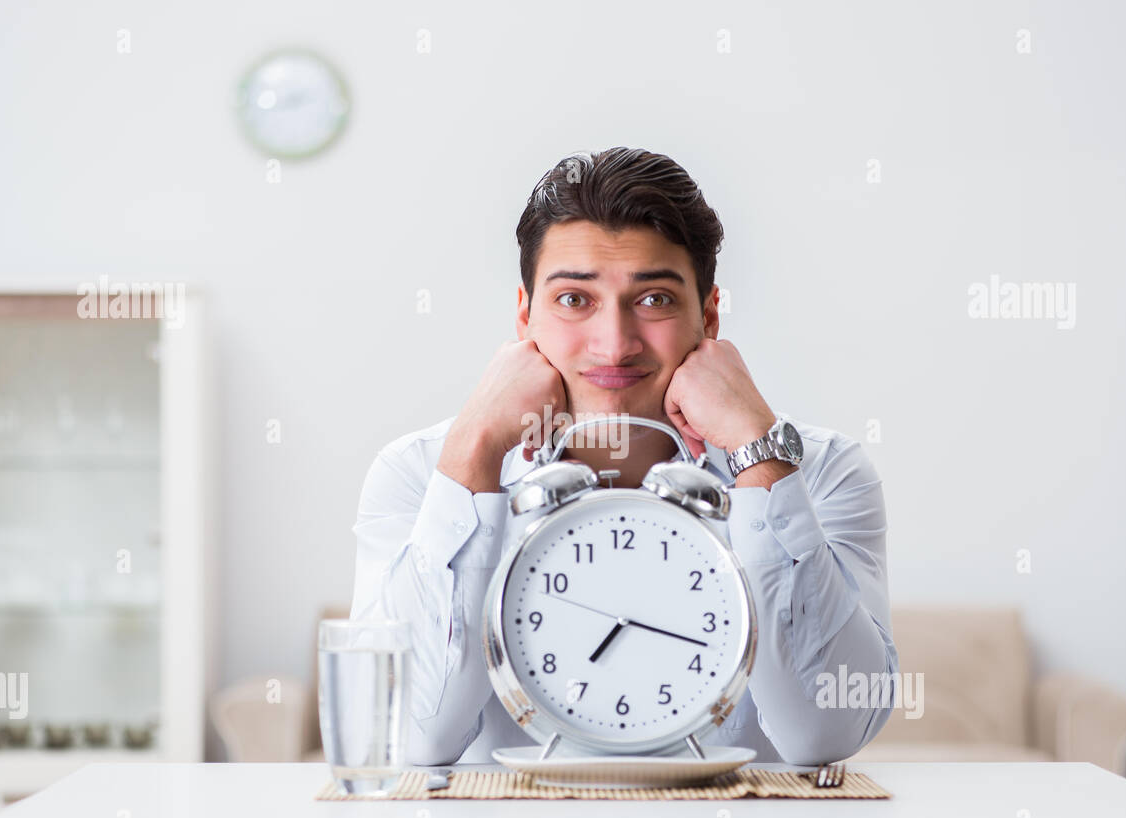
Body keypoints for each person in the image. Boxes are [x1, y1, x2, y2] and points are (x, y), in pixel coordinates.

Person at [350, 147, 898, 766]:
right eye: (574, 300)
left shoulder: (820, 473)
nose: (614, 344)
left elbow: (824, 735)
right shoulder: (421, 474)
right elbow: (413, 738)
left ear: (708, 316)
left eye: (655, 299)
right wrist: (474, 449)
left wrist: (758, 452)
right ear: (526, 315)